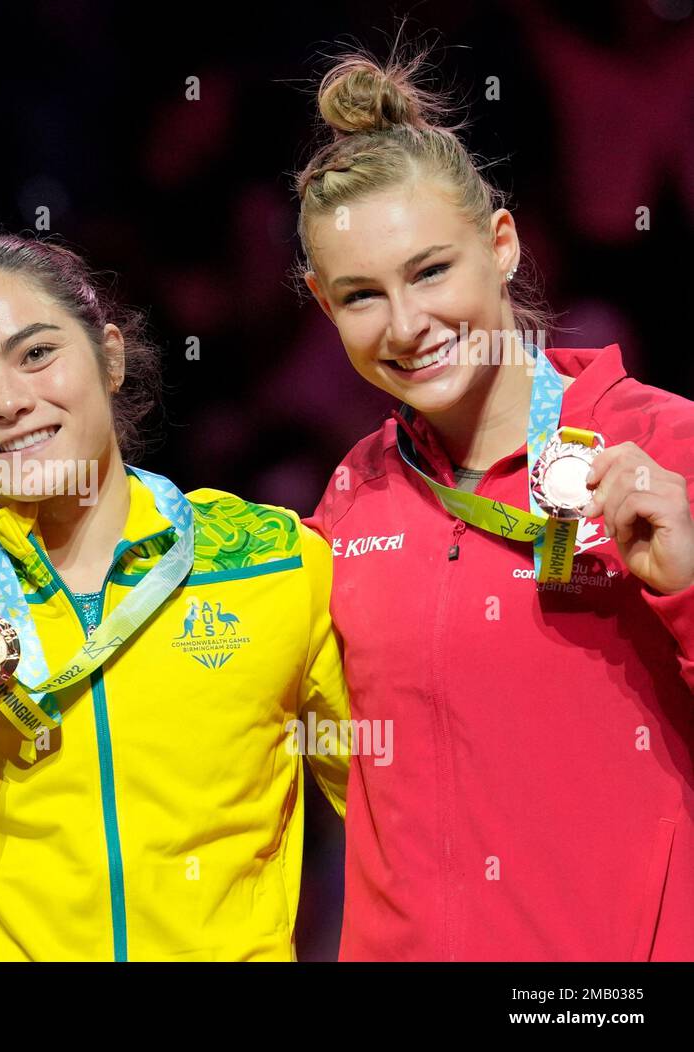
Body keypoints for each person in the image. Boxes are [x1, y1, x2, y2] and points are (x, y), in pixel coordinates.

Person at [0, 234, 350, 961]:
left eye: (36, 355)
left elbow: (402, 824)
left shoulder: (273, 563)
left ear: (111, 358)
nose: (7, 403)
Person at [296, 51, 694, 960]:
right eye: (361, 295)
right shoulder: (352, 499)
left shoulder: (666, 446)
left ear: (503, 244)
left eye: (431, 271)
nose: (406, 325)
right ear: (323, 305)